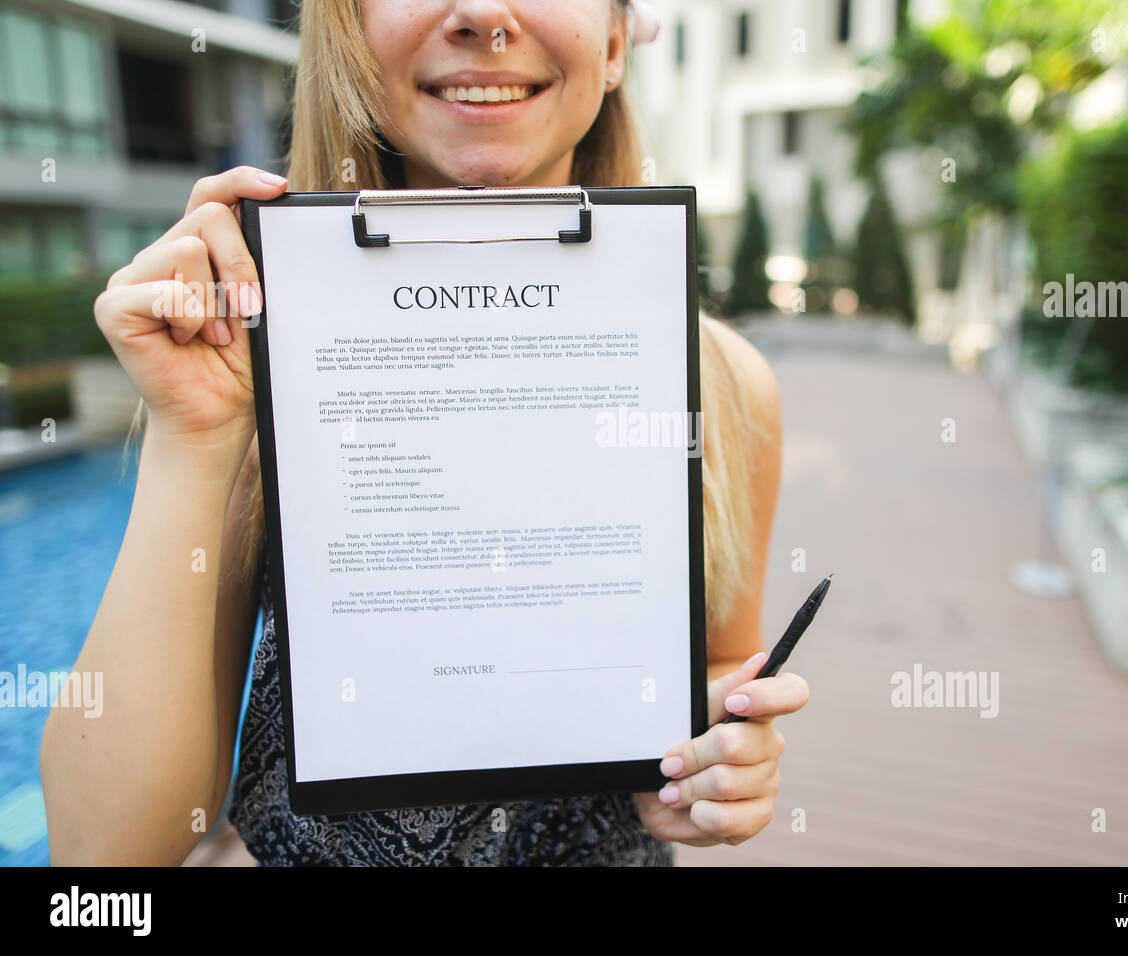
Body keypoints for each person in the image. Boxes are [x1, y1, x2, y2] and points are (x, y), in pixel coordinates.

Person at [41, 0, 809, 865]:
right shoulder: (250, 369)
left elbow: (719, 684)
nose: (485, 13)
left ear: (618, 39)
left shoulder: (729, 391)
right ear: (348, 32)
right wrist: (193, 438)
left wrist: (710, 761)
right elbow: (100, 855)